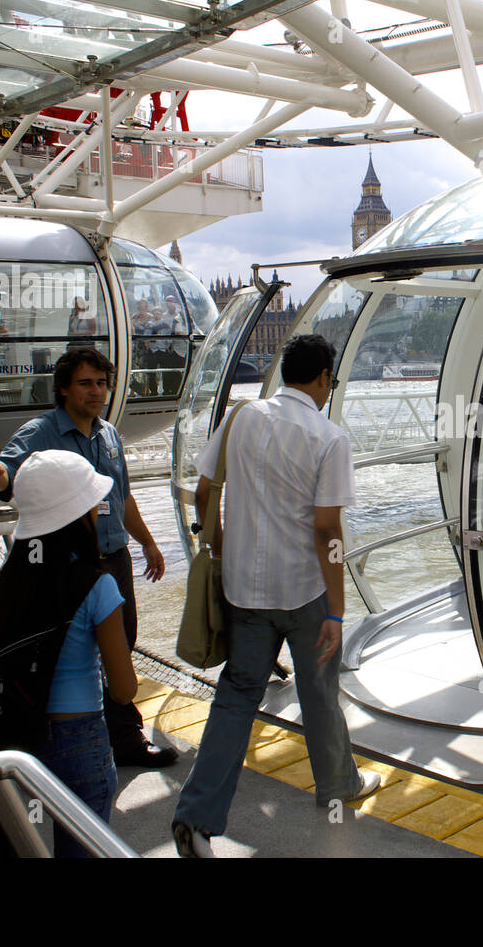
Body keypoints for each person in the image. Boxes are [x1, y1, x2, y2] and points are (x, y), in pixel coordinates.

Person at [171, 334, 380, 857]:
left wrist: (216, 542)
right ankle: (337, 789)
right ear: (325, 379)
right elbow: (327, 530)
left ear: (284, 371)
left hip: (244, 591)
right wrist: (336, 607)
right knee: (318, 692)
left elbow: (202, 490)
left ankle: (196, 817)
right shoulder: (329, 438)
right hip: (305, 591)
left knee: (237, 696)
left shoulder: (241, 418)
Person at [0, 347, 175, 768]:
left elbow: (122, 496)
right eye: (85, 383)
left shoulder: (109, 435)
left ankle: (123, 738)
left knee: (122, 642)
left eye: (102, 383)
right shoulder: (39, 432)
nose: (96, 392)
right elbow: (7, 476)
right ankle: (45, 735)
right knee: (58, 650)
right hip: (63, 562)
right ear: (63, 388)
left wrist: (147, 542)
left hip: (111, 556)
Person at [0, 450, 138, 857]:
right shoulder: (98, 584)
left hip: (25, 739)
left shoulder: (11, 580)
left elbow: (2, 658)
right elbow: (124, 689)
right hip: (81, 737)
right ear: (78, 513)